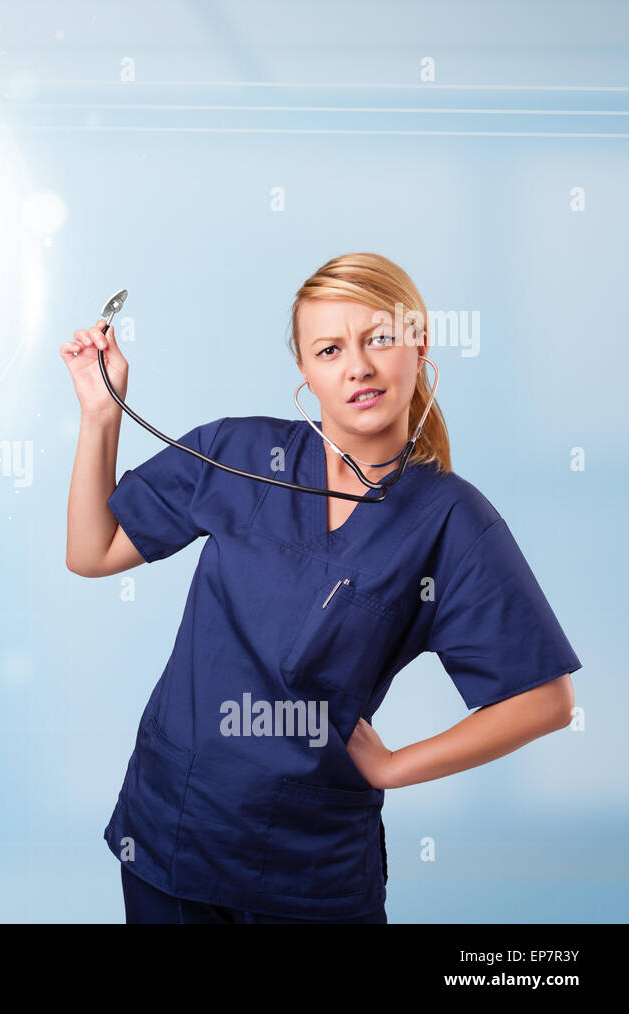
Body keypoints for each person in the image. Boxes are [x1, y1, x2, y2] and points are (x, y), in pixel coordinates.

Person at [61, 253, 581, 924]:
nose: (358, 366)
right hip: (173, 832)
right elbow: (91, 550)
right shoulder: (237, 454)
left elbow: (545, 700)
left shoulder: (452, 521)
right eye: (330, 348)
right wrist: (101, 415)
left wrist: (397, 766)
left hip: (311, 871)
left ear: (420, 346)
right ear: (306, 374)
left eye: (380, 338)